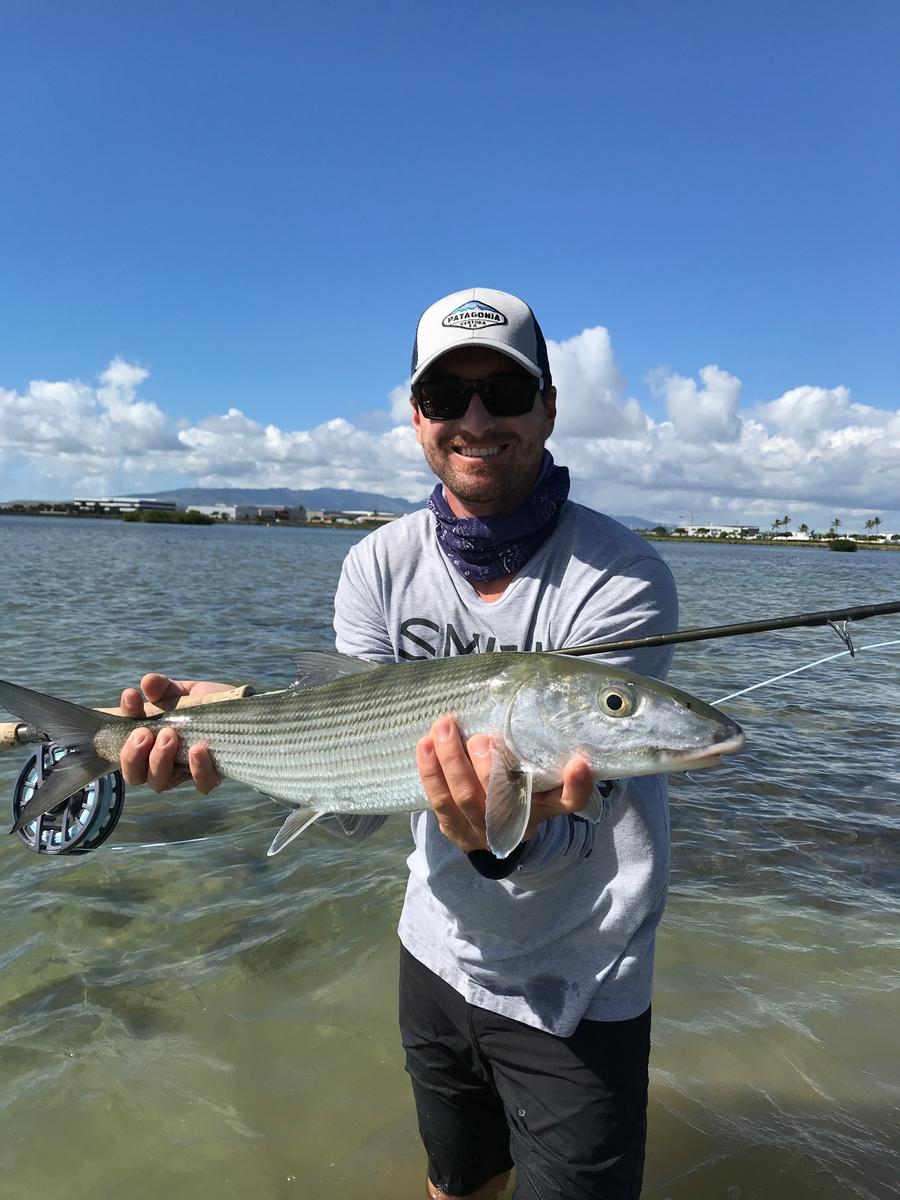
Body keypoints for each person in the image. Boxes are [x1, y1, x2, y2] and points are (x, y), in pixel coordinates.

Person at [119, 287, 678, 1200]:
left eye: (503, 389)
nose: (475, 419)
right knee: (455, 1184)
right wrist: (240, 727)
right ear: (415, 414)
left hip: (584, 976)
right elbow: (354, 804)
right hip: (434, 950)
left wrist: (506, 836)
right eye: (444, 396)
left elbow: (585, 823)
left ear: (548, 406)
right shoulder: (376, 563)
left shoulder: (623, 578)